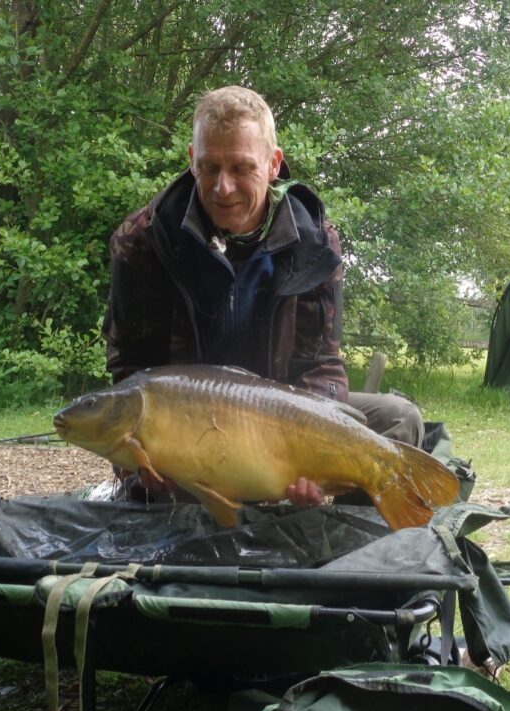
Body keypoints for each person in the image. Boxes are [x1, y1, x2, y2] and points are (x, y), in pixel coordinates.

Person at [102, 85, 423, 506]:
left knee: (399, 421)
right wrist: (137, 462)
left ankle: (330, 539)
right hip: (190, 429)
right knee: (163, 488)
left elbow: (321, 364)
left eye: (241, 168)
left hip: (280, 414)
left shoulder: (315, 241)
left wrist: (310, 452)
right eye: (210, 167)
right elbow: (130, 369)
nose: (223, 187)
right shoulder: (143, 239)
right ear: (191, 161)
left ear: (273, 165)